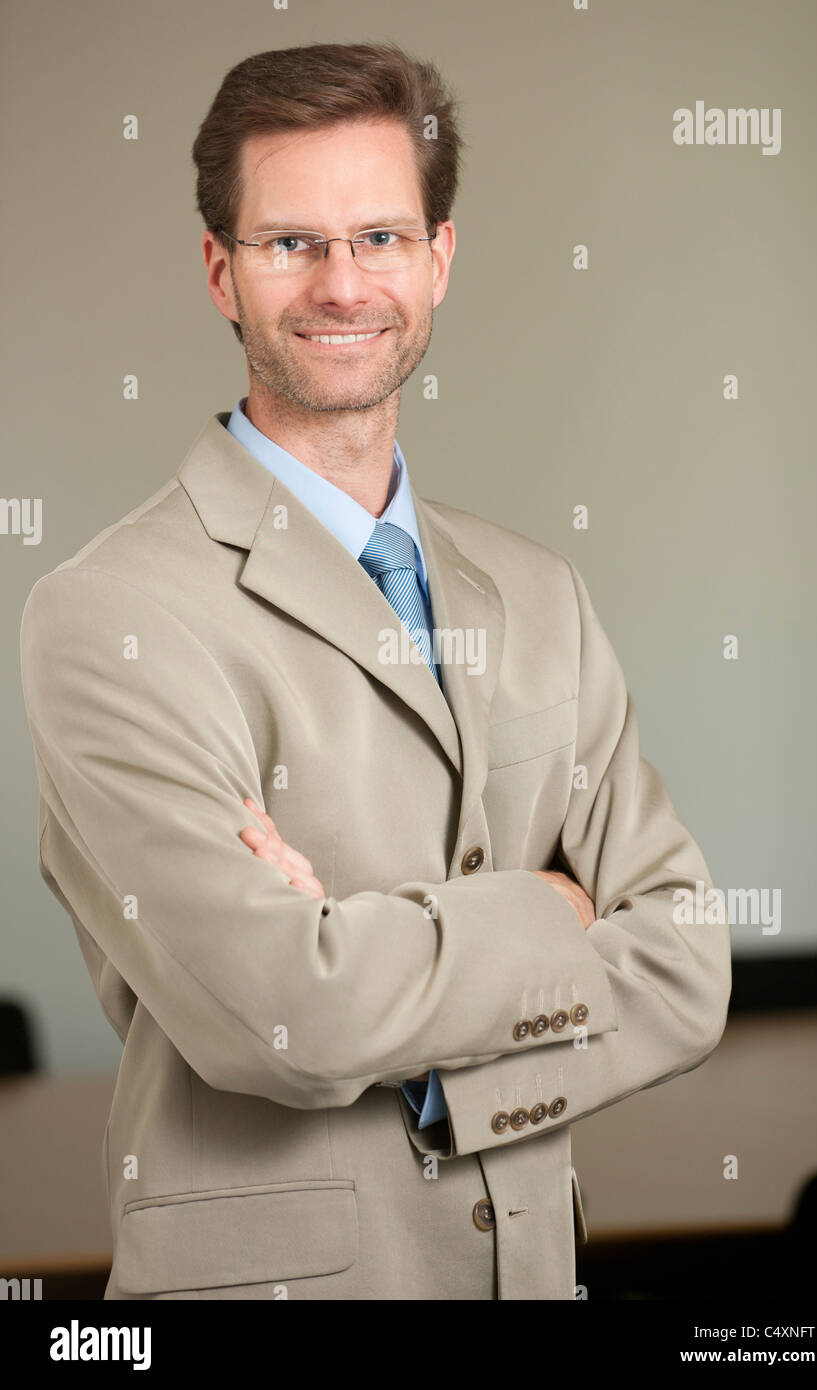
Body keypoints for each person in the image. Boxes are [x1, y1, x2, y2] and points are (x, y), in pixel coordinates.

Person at [19, 41, 731, 1301]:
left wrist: (383, 985)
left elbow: (684, 967)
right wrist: (557, 913)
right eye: (291, 243)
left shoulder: (537, 595)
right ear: (219, 270)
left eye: (381, 238)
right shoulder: (106, 615)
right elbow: (282, 1016)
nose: (342, 284)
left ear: (438, 260)